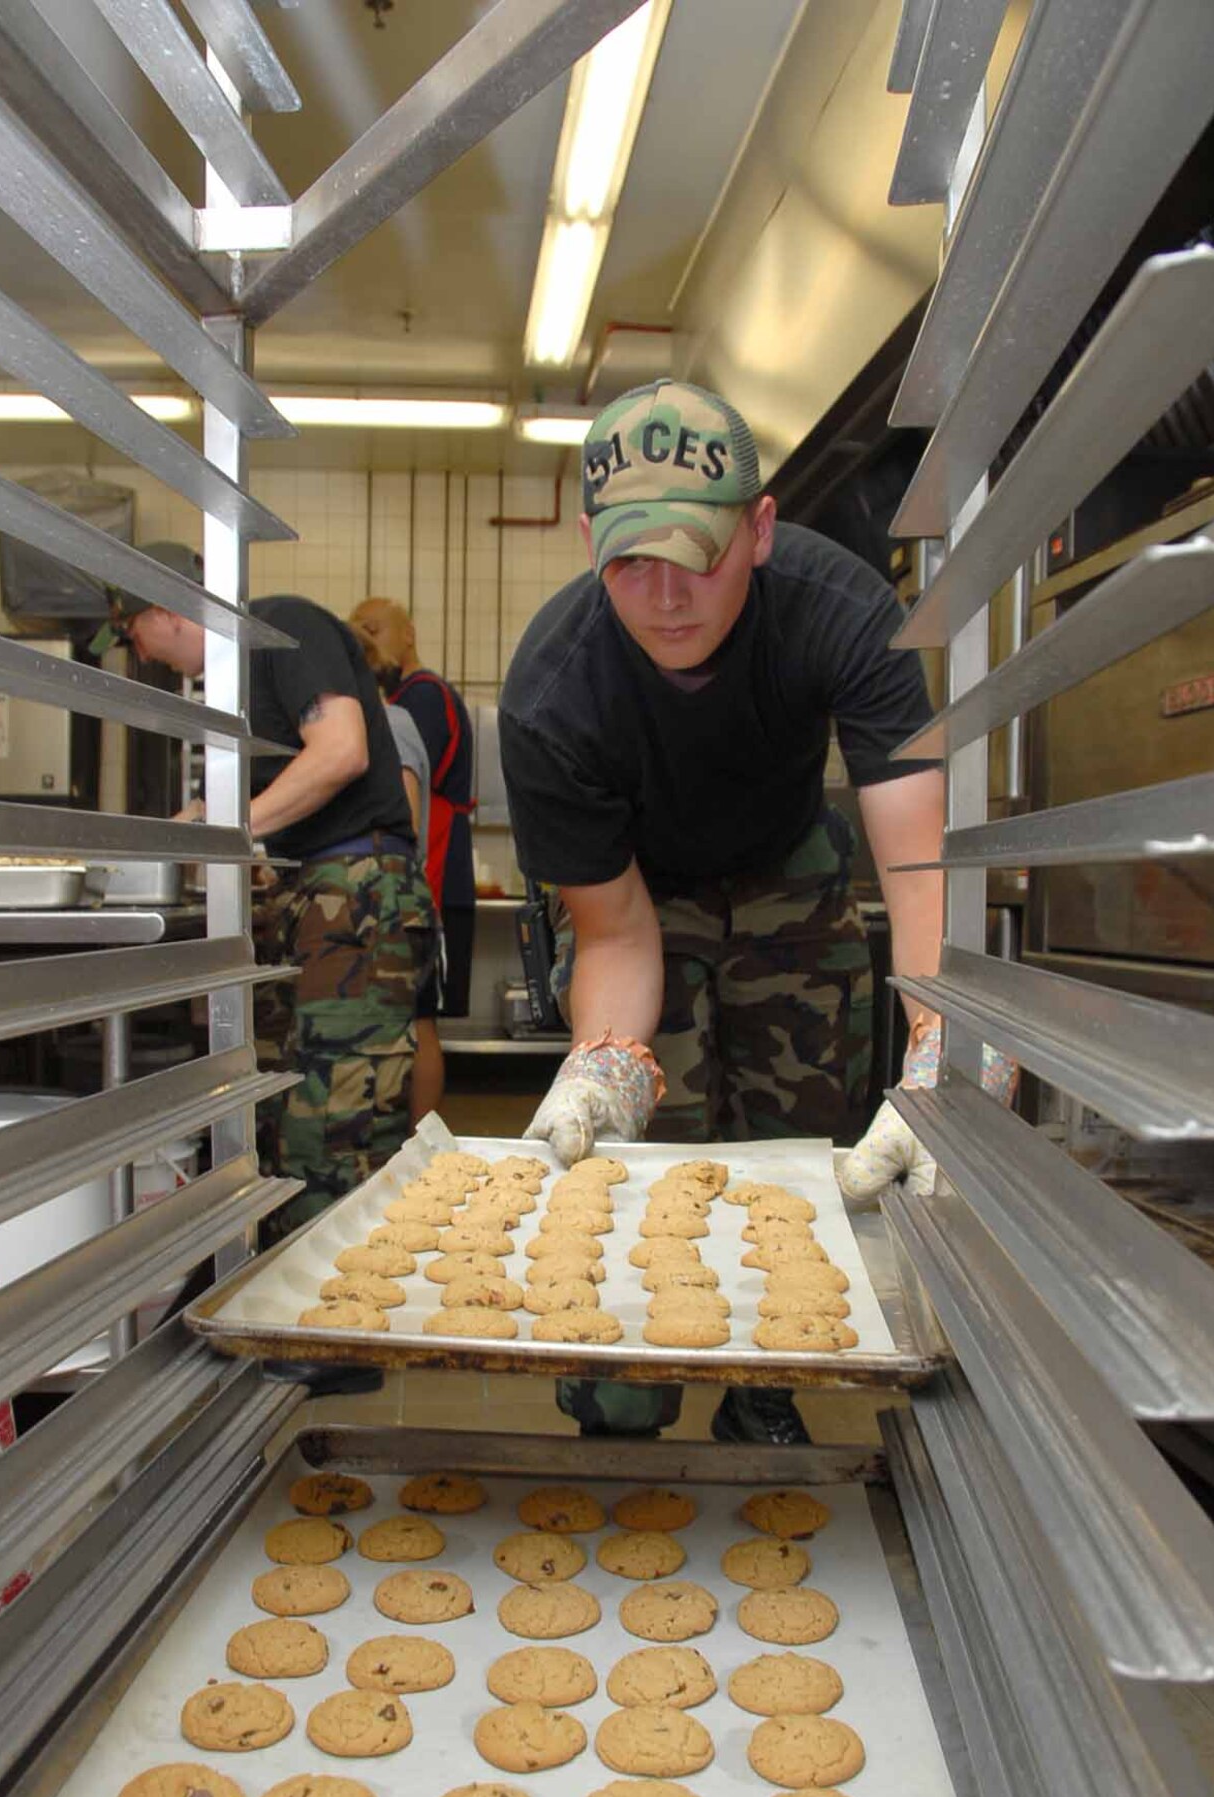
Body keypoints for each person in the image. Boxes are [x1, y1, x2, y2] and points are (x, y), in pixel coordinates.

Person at [499, 379, 956, 1447]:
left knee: (793, 1157)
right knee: (636, 1162)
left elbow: (921, 857)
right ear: (584, 542)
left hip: (789, 871)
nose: (664, 596)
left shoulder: (838, 612)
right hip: (642, 887)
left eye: (696, 554)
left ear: (759, 528)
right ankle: (620, 1403)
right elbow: (612, 930)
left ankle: (765, 1396)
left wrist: (945, 1052)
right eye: (628, 561)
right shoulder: (554, 692)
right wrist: (607, 1058)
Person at [93, 546, 438, 1233]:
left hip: (356, 898)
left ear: (163, 609)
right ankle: (304, 1295)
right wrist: (191, 830)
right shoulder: (232, 684)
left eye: (134, 631)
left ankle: (340, 1310)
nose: (140, 651)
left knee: (333, 1127)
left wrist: (231, 832)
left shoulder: (282, 627)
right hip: (315, 899)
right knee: (291, 1121)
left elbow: (341, 752)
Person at [349, 598, 477, 1016]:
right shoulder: (406, 698)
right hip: (427, 868)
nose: (367, 640)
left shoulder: (421, 698)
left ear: (408, 634)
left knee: (417, 1016)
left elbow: (402, 795)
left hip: (431, 869)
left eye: (374, 628)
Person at [381, 691, 446, 1123]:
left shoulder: (390, 721)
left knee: (418, 1024)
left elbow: (403, 817)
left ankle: (420, 1140)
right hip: (397, 893)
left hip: (397, 896)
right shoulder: (392, 720)